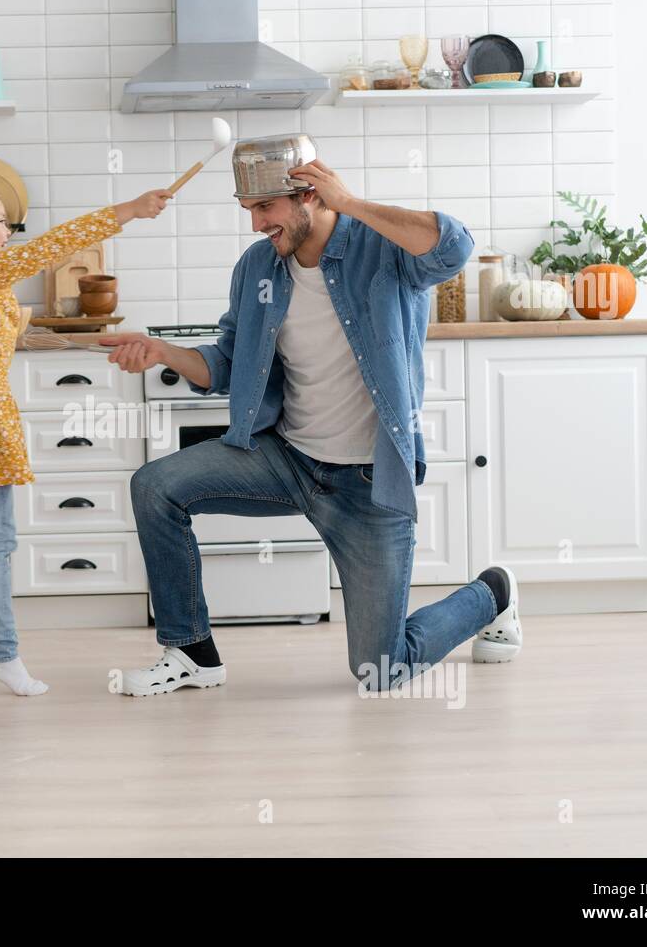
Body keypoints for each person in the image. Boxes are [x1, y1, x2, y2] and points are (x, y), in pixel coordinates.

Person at [98, 154, 522, 696]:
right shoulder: (258, 268)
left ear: (310, 195)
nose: (255, 223)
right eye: (248, 209)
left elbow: (453, 247)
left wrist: (350, 203)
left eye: (265, 207)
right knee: (155, 487)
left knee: (381, 671)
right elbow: (226, 362)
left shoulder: (385, 250)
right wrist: (163, 351)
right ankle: (191, 653)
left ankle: (492, 593)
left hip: (368, 483)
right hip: (286, 460)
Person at [0, 177, 173, 696]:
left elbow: (7, 337)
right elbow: (56, 246)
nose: (10, 229)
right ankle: (1, 655)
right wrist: (130, 209)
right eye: (0, 220)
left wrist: (93, 344)